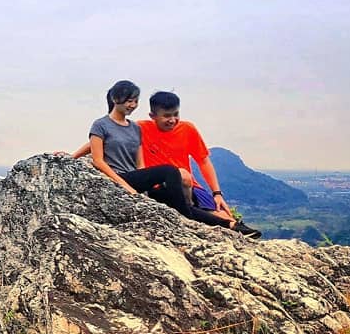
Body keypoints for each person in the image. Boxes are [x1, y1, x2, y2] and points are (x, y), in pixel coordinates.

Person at [71, 89, 260, 237]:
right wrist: (72, 157)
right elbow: (103, 139)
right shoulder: (141, 128)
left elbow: (203, 161)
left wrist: (217, 193)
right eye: (167, 116)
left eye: (175, 114)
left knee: (225, 218)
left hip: (188, 186)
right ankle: (191, 214)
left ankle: (220, 221)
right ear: (153, 115)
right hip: (159, 185)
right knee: (182, 178)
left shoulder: (188, 129)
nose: (173, 120)